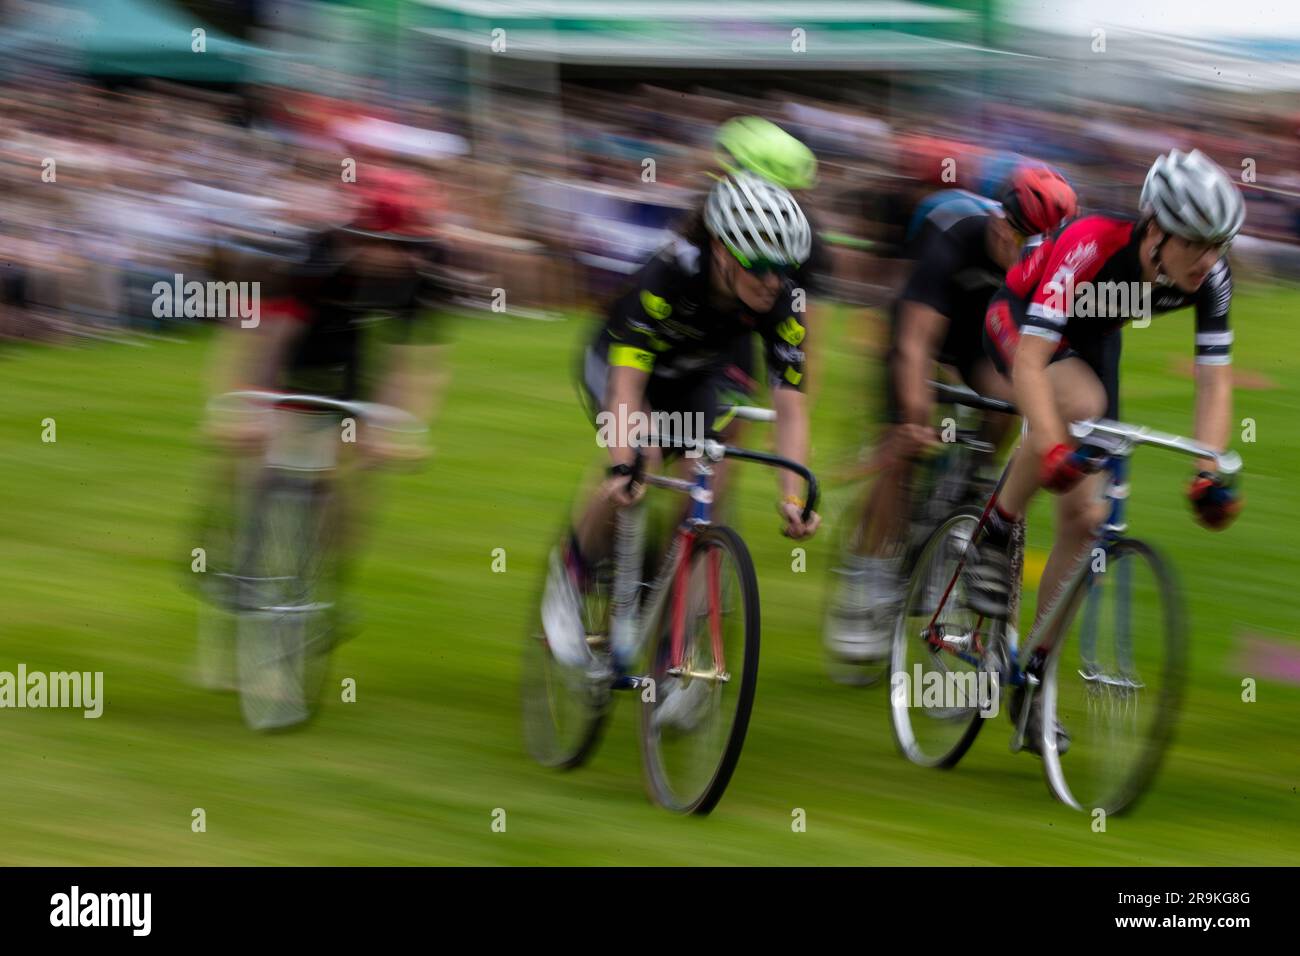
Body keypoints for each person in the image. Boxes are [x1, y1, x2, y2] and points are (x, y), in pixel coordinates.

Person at [968, 148, 1245, 752]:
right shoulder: (1093, 244)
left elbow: (1214, 380)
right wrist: (1048, 448)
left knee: (1089, 519)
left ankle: (1034, 684)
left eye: (1218, 244)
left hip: (1095, 340)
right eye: (1196, 243)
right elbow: (1034, 364)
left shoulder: (1212, 276)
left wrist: (1209, 472)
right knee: (1081, 407)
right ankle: (994, 528)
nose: (1208, 260)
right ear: (1157, 229)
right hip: (1021, 321)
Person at [544, 171, 821, 669]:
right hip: (620, 367)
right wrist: (622, 461)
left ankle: (676, 652)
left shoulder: (781, 299)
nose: (772, 281)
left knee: (708, 487)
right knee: (641, 458)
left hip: (695, 375)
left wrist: (793, 496)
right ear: (720, 250)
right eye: (758, 266)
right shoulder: (669, 273)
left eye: (784, 268)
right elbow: (626, 386)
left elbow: (790, 407)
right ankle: (572, 571)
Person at [825, 165, 1078, 667]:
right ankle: (866, 578)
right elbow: (914, 344)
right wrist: (915, 416)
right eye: (1027, 242)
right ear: (1003, 224)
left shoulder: (1043, 264)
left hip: (979, 338)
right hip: (922, 330)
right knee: (907, 437)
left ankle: (969, 492)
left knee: (1011, 400)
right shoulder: (954, 238)